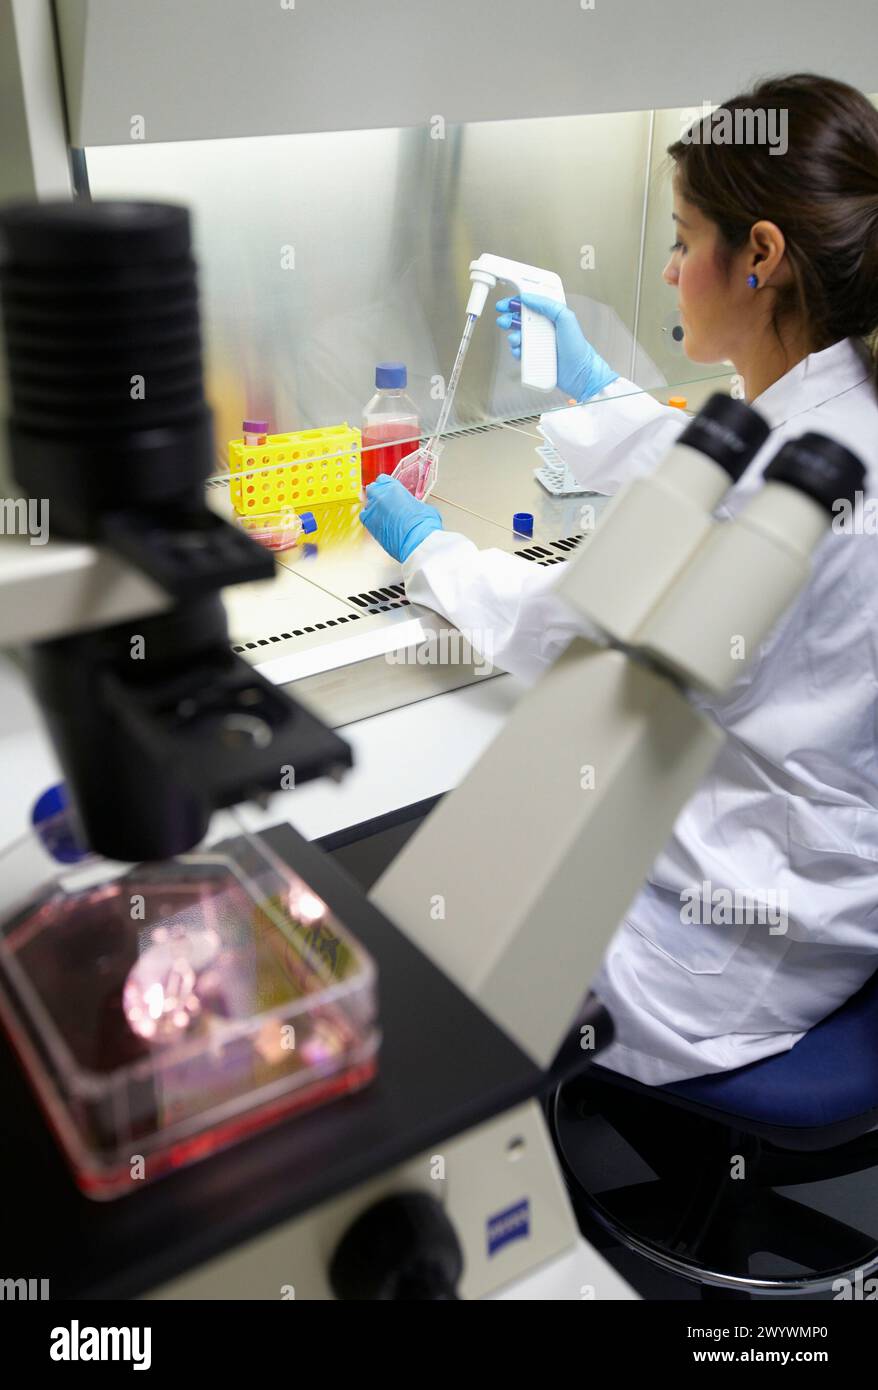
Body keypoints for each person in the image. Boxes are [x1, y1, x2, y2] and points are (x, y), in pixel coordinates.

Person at [360, 74, 878, 1085]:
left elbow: (570, 639)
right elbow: (727, 461)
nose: (670, 263)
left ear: (759, 257)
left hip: (730, 937)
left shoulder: (788, 471)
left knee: (425, 923)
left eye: (684, 240)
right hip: (829, 891)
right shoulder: (846, 407)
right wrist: (592, 387)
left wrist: (431, 552)